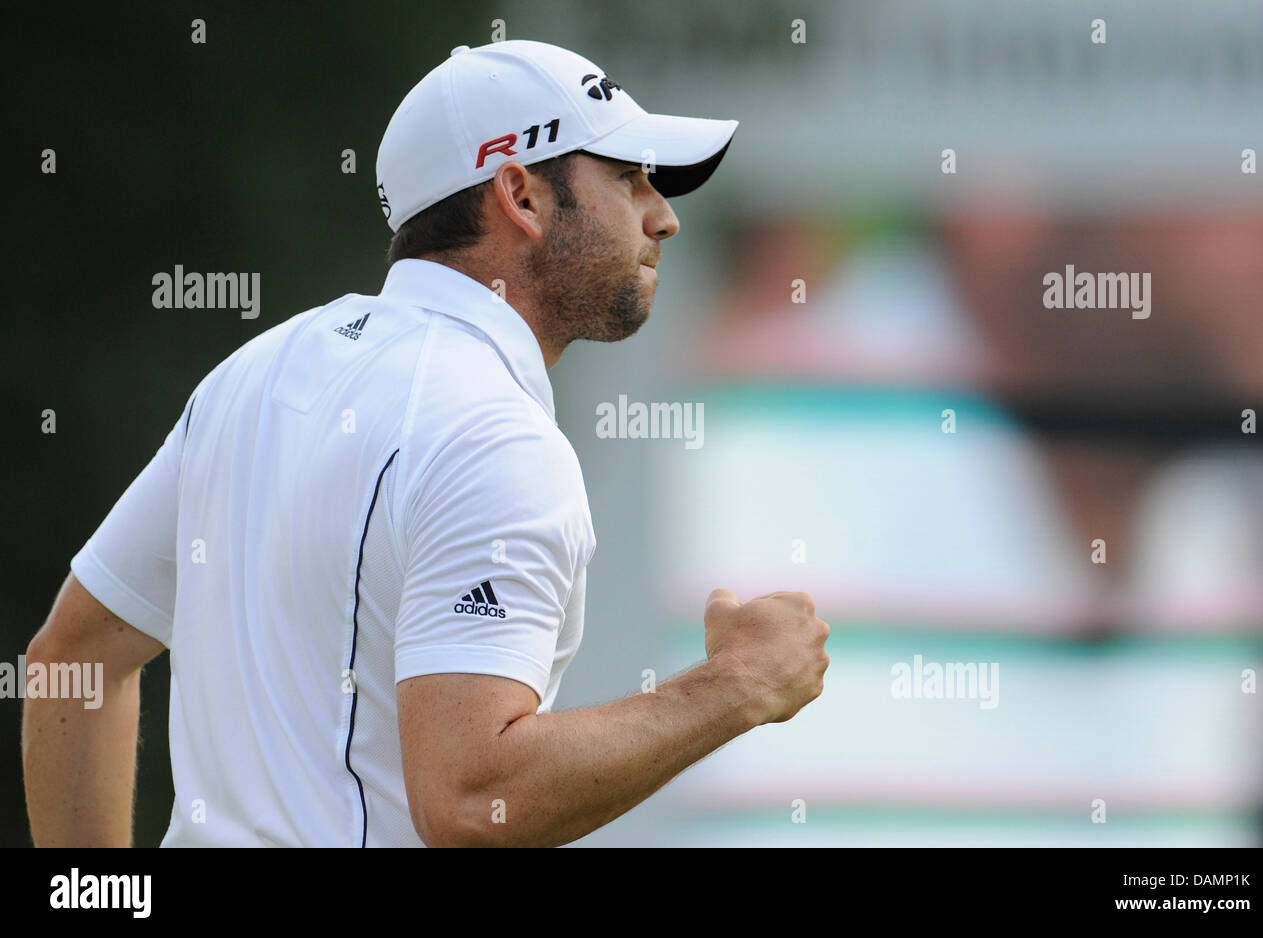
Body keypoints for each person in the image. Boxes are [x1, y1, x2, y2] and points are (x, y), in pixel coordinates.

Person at [23, 39, 829, 847]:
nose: (664, 215)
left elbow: (74, 653)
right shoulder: (496, 437)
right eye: (627, 177)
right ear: (521, 193)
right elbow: (474, 800)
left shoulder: (253, 374)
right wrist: (738, 685)